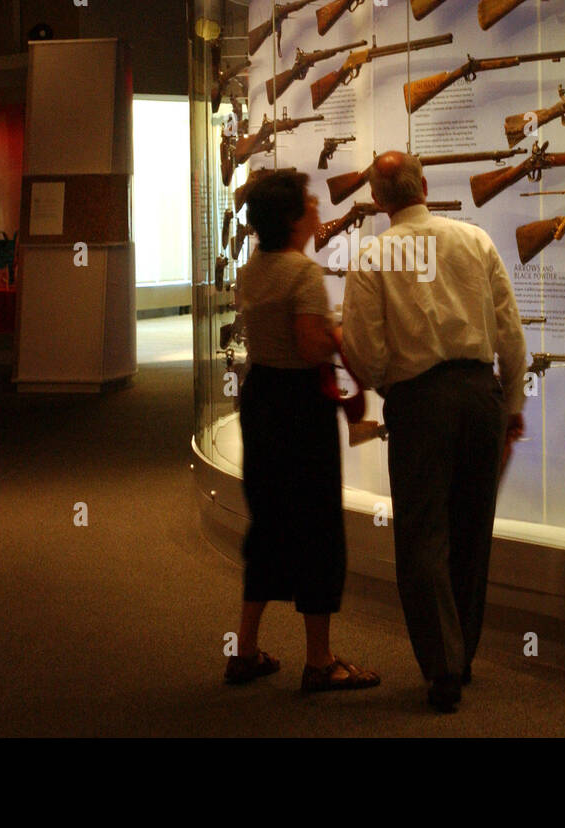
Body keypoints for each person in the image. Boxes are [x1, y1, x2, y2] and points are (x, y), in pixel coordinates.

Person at [341, 152, 527, 712]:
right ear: (424, 184)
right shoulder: (475, 240)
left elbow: (366, 355)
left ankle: (444, 665)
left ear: (378, 199)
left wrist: (386, 381)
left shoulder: (371, 255)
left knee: (423, 537)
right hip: (479, 396)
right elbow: (511, 333)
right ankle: (460, 656)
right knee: (472, 534)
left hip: (420, 404)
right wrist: (511, 405)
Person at [225, 169, 381, 693]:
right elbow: (311, 347)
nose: (318, 211)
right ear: (293, 219)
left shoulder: (253, 270)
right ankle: (319, 660)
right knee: (317, 530)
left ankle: (245, 650)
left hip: (264, 398)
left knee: (267, 524)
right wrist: (341, 334)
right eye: (310, 205)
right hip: (299, 407)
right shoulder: (303, 274)